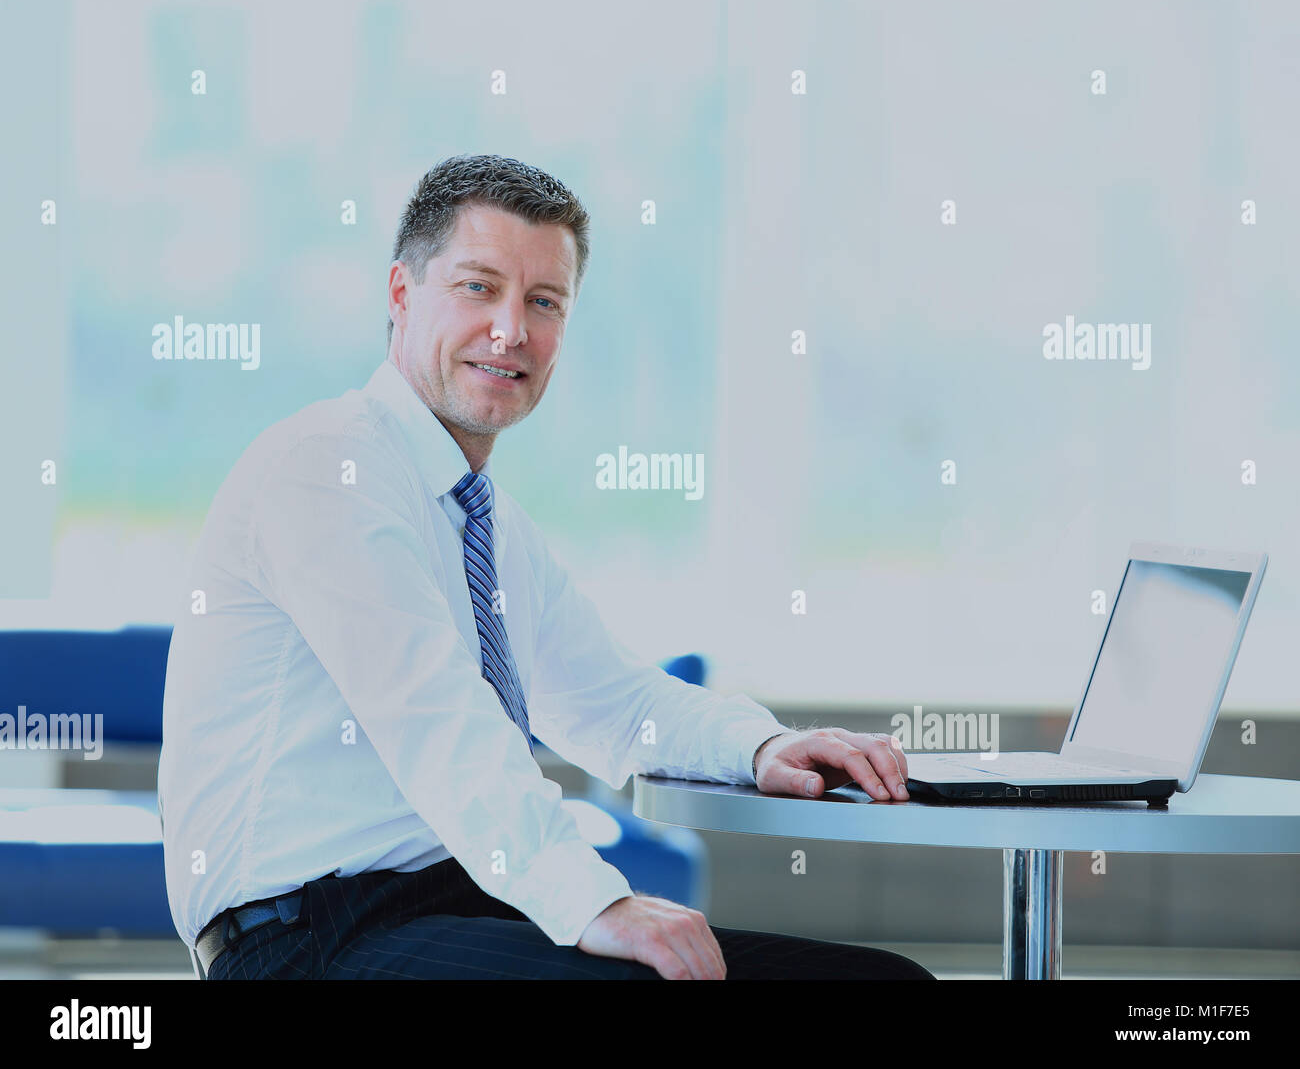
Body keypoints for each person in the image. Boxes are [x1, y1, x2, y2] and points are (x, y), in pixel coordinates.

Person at [157, 153, 933, 981]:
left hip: (454, 907)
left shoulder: (484, 523)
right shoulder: (327, 468)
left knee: (881, 982)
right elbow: (438, 722)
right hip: (308, 938)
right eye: (478, 287)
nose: (510, 330)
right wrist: (595, 901)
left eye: (543, 302)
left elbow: (613, 699)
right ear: (400, 295)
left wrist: (763, 744)